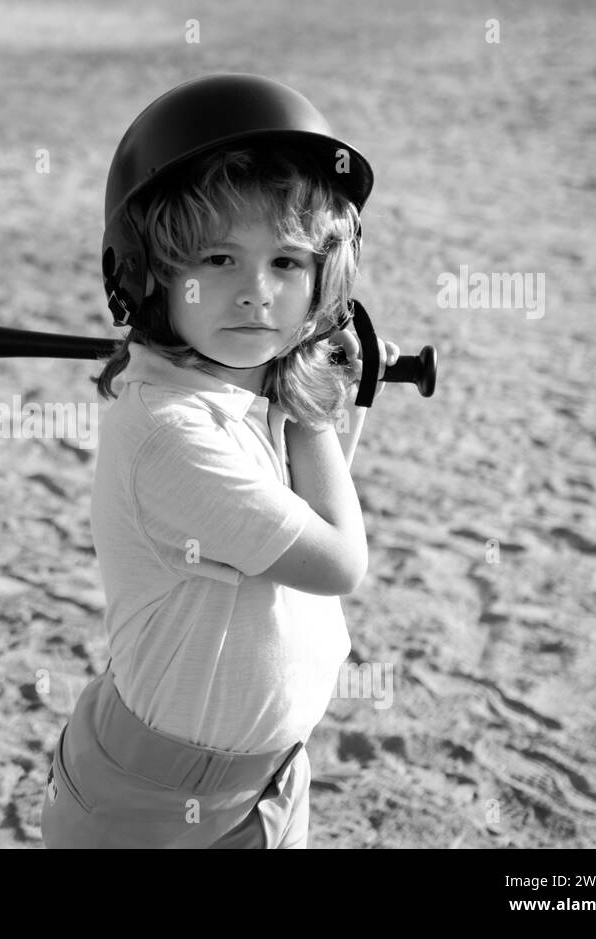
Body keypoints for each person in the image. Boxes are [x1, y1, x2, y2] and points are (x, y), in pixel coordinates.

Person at [40, 73, 399, 848]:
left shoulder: (240, 389)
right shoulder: (171, 431)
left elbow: (311, 499)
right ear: (146, 273)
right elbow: (337, 558)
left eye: (287, 264)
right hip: (152, 806)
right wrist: (310, 393)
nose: (256, 295)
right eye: (218, 258)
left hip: (271, 783)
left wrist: (318, 382)